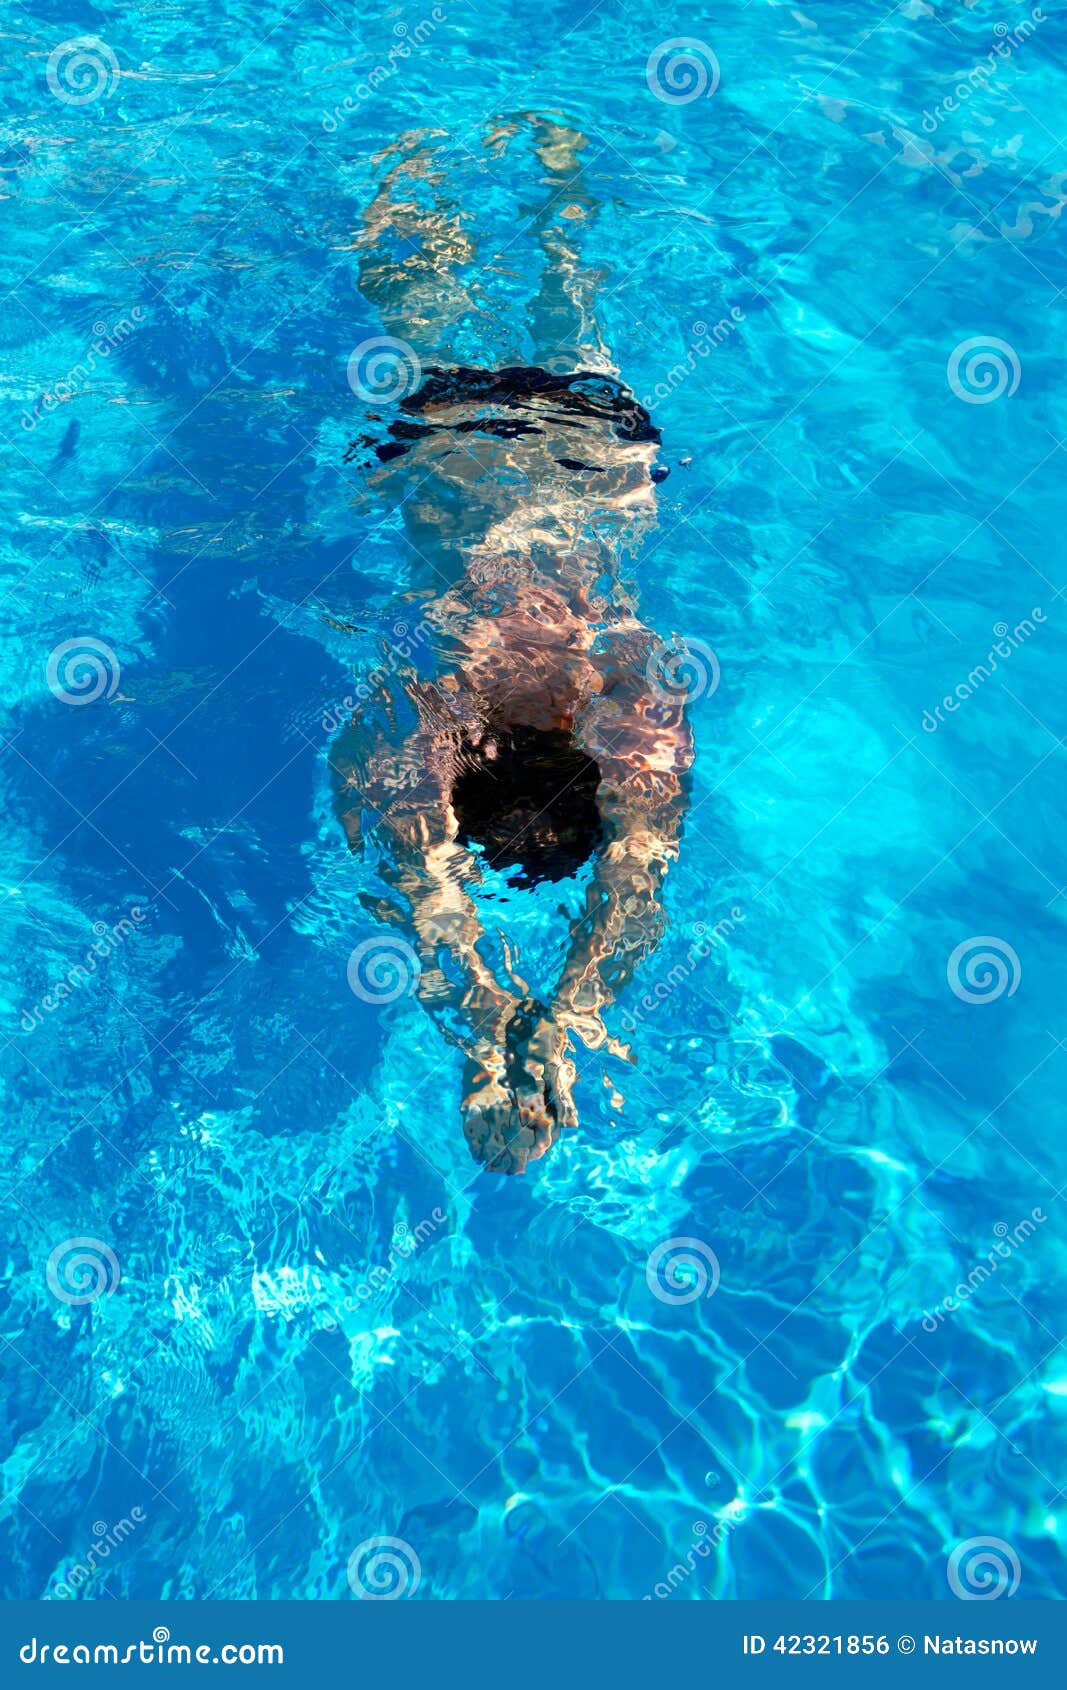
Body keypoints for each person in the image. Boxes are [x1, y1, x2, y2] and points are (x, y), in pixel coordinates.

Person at [330, 117, 693, 1174]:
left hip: (595, 458)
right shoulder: (439, 694)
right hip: (451, 448)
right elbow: (420, 857)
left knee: (569, 299)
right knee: (421, 307)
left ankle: (553, 177)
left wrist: (560, 1008)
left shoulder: (626, 688)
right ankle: (420, 167)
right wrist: (496, 1017)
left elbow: (635, 863)